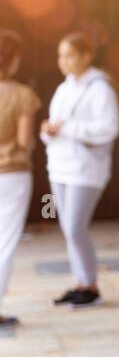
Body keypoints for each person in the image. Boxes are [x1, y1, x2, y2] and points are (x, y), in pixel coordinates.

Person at [41, 31, 119, 310]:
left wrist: (67, 129)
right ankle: (81, 283)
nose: (63, 61)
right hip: (60, 166)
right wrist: (48, 131)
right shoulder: (64, 88)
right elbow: (56, 124)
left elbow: (110, 128)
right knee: (68, 228)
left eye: (69, 55)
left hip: (85, 169)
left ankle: (91, 285)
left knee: (75, 227)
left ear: (87, 55)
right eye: (60, 55)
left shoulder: (100, 88)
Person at [0, 30, 39, 329]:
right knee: (5, 243)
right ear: (13, 60)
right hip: (12, 175)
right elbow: (25, 142)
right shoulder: (22, 95)